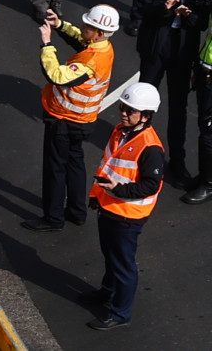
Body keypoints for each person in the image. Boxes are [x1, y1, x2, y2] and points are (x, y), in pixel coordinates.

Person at [26, 3, 119, 232]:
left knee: (55, 168)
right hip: (83, 121)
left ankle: (53, 217)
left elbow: (56, 75)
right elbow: (80, 39)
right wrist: (60, 25)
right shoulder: (104, 47)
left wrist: (47, 44)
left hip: (64, 120)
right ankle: (77, 212)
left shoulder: (90, 61)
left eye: (87, 25)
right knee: (74, 163)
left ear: (98, 32)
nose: (83, 27)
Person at [87, 82, 165, 329]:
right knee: (110, 255)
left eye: (130, 110)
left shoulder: (150, 148)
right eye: (122, 106)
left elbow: (151, 185)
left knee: (123, 264)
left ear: (145, 116)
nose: (123, 112)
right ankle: (107, 292)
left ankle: (120, 314)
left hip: (128, 214)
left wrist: (118, 190)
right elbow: (108, 165)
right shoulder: (120, 131)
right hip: (108, 205)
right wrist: (96, 195)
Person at [132, 0, 208, 163]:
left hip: (182, 53)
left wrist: (189, 16)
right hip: (156, 47)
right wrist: (164, 9)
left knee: (178, 107)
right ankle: (136, 149)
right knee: (143, 99)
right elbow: (142, 8)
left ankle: (177, 159)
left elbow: (202, 24)